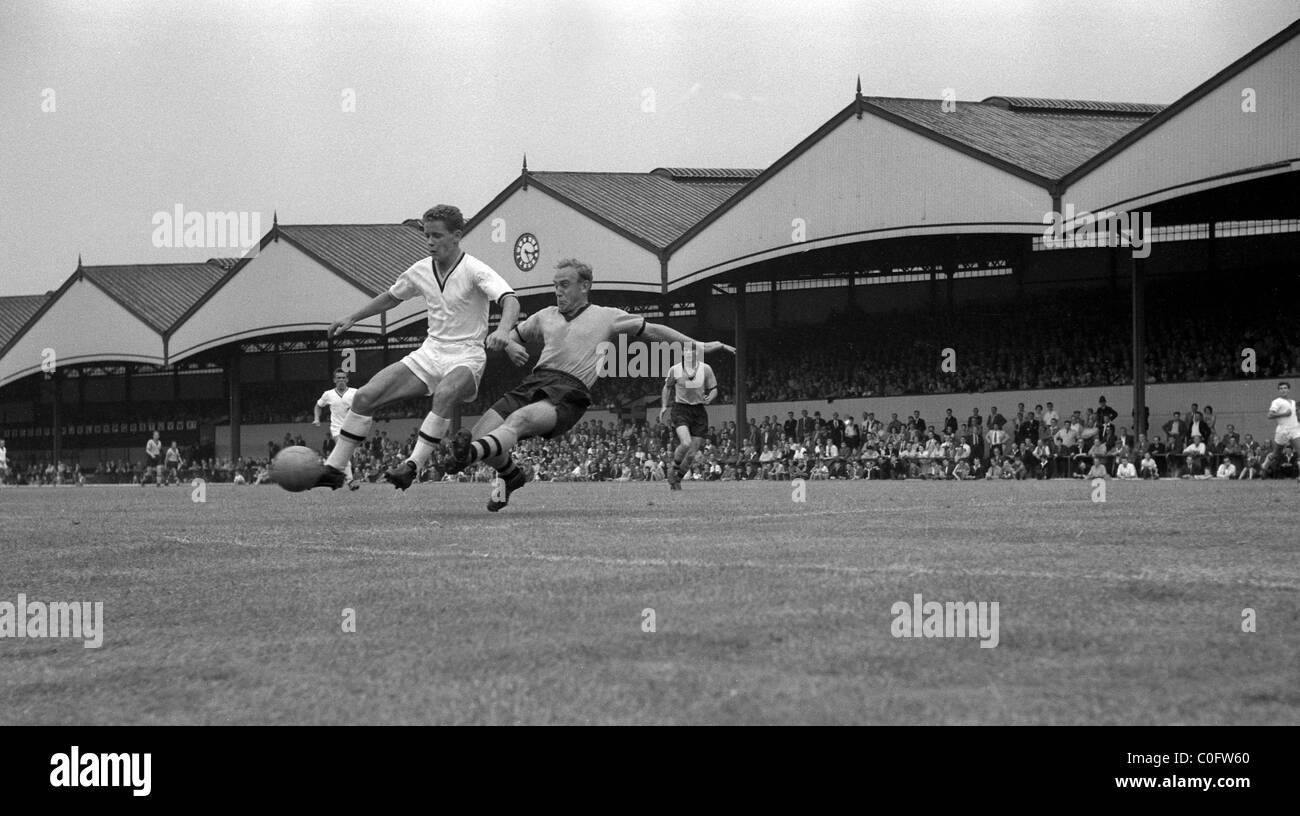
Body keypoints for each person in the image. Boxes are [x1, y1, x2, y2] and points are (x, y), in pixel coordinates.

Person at [445, 258, 734, 511]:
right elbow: (507, 338)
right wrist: (507, 344)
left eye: (565, 284)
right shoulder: (544, 316)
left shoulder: (607, 317)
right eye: (555, 284)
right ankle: (510, 475)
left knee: (514, 423)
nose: (558, 290)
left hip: (568, 391)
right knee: (479, 436)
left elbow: (654, 330)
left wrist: (699, 345)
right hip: (533, 382)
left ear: (584, 286)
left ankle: (471, 456)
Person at [313, 205, 521, 490]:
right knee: (364, 396)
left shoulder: (475, 270)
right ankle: (334, 469)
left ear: (457, 236)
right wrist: (351, 317)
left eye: (437, 235)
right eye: (427, 235)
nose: (430, 242)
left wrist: (504, 330)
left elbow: (510, 299)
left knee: (445, 393)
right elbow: (391, 297)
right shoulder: (421, 270)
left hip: (466, 354)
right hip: (429, 353)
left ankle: (412, 466)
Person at [659, 343, 718, 491]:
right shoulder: (675, 369)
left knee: (691, 454)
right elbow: (667, 387)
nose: (689, 353)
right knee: (686, 443)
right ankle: (672, 468)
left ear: (696, 353)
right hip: (681, 409)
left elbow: (714, 389)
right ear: (683, 353)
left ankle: (677, 479)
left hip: (699, 410)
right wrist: (664, 406)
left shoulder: (706, 368)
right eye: (686, 350)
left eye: (692, 350)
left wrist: (710, 398)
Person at [313, 368, 361, 489]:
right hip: (337, 428)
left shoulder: (355, 392)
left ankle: (332, 475)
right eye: (338, 378)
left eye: (343, 378)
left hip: (352, 428)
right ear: (334, 380)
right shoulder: (328, 394)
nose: (341, 380)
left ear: (347, 379)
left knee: (349, 455)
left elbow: (363, 405)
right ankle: (350, 481)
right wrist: (317, 418)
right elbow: (318, 406)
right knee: (344, 452)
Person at [1266, 381, 1300, 481]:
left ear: (1288, 389)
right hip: (1283, 431)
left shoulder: (1293, 402)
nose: (1283, 390)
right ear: (1278, 390)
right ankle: (1264, 466)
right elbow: (1269, 415)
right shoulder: (1277, 401)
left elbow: (1294, 416)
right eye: (1281, 388)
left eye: (1285, 388)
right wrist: (1284, 414)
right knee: (1276, 453)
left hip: (1294, 429)